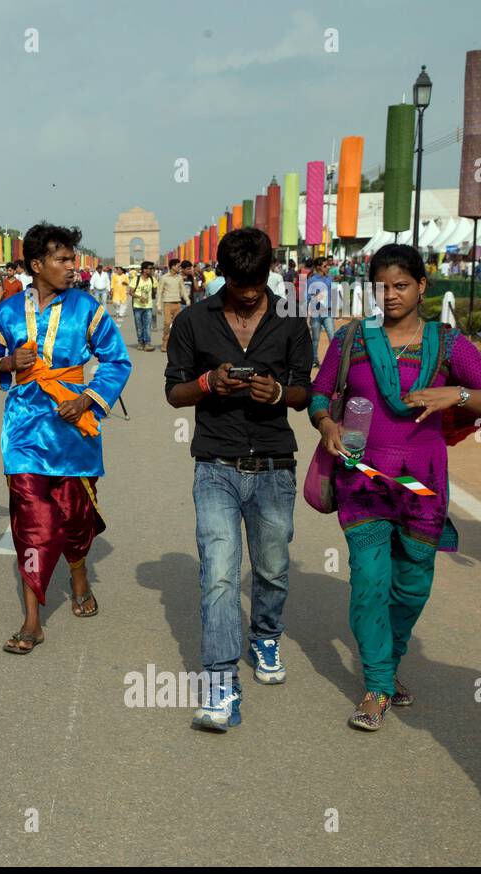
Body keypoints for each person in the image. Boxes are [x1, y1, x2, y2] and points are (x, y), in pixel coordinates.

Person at [311, 245, 481, 730]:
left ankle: (389, 661)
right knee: (368, 583)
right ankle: (378, 684)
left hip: (422, 487)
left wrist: (456, 394)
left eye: (401, 285)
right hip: (364, 482)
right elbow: (320, 392)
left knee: (411, 586)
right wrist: (326, 426)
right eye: (382, 286)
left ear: (422, 286)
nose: (391, 295)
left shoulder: (448, 345)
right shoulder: (352, 337)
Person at [164, 227, 312, 732]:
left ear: (269, 272)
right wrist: (209, 383)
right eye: (237, 283)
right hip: (215, 466)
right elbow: (174, 393)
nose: (248, 294)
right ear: (222, 275)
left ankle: (266, 634)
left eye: (256, 283)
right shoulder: (192, 320)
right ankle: (220, 682)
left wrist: (276, 393)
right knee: (221, 575)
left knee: (271, 568)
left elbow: (304, 392)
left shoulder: (292, 321)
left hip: (274, 465)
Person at [0, 222, 131, 653]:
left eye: (73, 259)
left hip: (74, 430)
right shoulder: (4, 312)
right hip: (23, 431)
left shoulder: (87, 309)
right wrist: (5, 363)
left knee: (76, 518)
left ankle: (78, 571)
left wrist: (88, 400)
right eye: (62, 260)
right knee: (31, 523)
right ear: (37, 264)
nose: (72, 267)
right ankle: (32, 618)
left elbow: (117, 360)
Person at [307, 257, 334, 367]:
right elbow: (307, 297)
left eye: (328, 265)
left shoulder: (329, 279)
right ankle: (314, 360)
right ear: (318, 267)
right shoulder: (311, 280)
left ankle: (334, 360)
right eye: (325, 266)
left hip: (327, 312)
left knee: (333, 338)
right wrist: (315, 297)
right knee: (315, 339)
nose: (328, 267)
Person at [157, 258, 189, 352]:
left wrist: (187, 300)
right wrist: (158, 305)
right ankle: (165, 342)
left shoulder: (179, 278)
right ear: (173, 266)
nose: (180, 268)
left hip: (177, 303)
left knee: (177, 325)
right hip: (167, 303)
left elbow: (183, 289)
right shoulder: (164, 278)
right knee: (167, 323)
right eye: (178, 266)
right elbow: (159, 292)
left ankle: (175, 344)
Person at [130, 260, 158, 352]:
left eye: (152, 268)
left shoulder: (152, 279)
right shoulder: (136, 279)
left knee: (147, 326)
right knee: (139, 326)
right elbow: (131, 292)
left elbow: (154, 291)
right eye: (150, 268)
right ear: (144, 270)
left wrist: (155, 291)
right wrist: (139, 297)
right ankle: (140, 342)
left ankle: (147, 343)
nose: (152, 270)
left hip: (148, 306)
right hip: (137, 306)